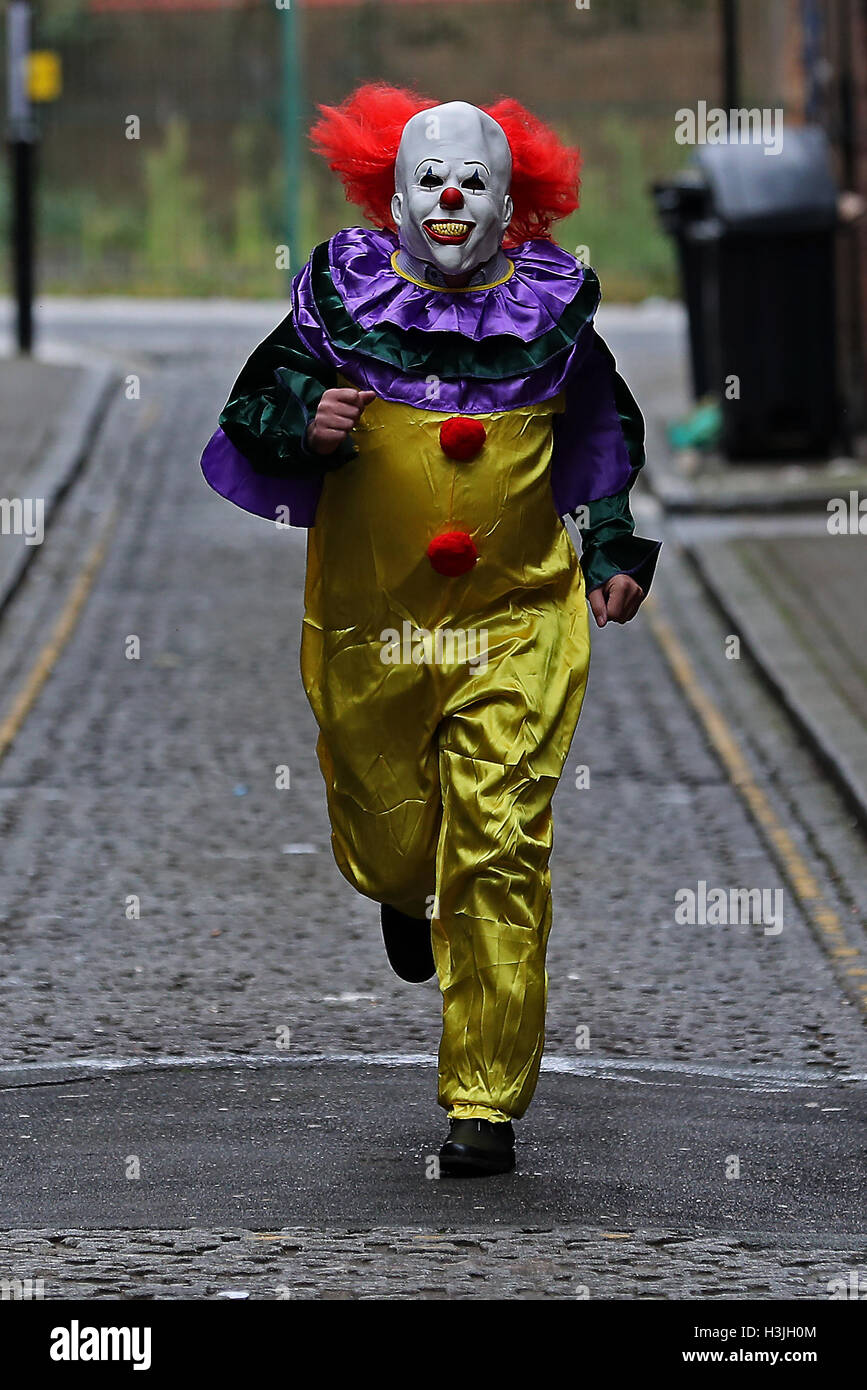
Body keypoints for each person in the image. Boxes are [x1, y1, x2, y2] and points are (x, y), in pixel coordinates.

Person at [201, 85, 660, 1176]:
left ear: (513, 204)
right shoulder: (340, 298)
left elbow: (599, 436)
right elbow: (250, 406)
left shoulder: (554, 309)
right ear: (394, 196)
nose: (451, 196)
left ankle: (485, 1099)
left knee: (499, 840)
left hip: (516, 619)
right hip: (375, 625)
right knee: (392, 836)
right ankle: (404, 891)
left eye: (474, 181)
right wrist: (302, 421)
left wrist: (607, 548)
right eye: (430, 179)